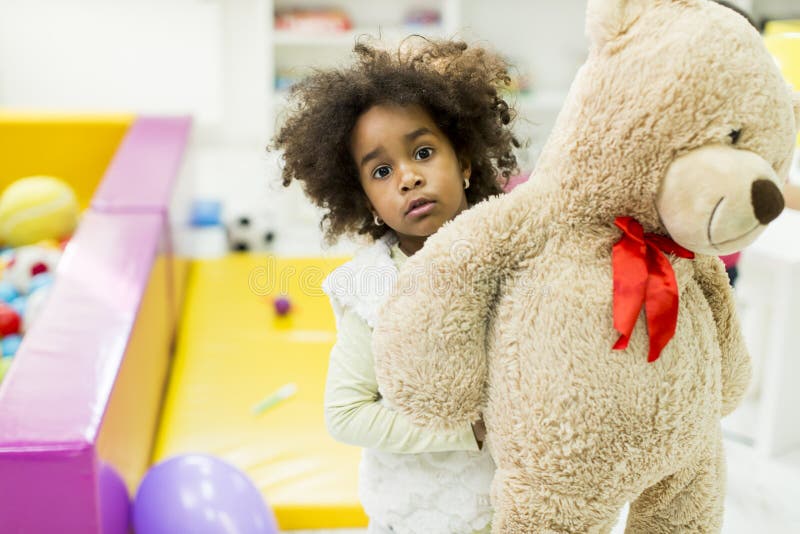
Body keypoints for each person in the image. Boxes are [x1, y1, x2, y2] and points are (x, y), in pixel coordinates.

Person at [271, 37, 519, 534]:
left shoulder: (515, 251)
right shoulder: (369, 286)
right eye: (382, 171)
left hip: (517, 508)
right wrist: (465, 430)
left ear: (466, 163)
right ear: (364, 199)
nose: (407, 177)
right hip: (418, 515)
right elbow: (345, 414)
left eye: (423, 152)